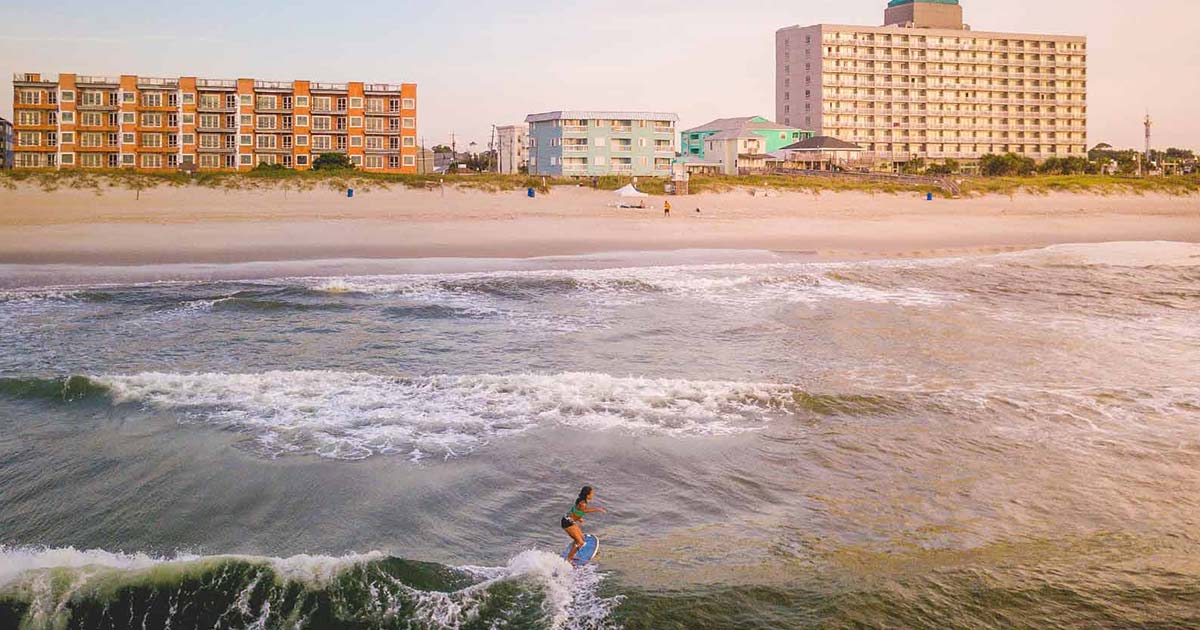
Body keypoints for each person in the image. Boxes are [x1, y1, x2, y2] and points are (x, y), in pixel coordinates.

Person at [561, 485, 605, 565]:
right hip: (567, 523)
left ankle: (571, 555)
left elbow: (575, 510)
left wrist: (578, 518)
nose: (592, 495)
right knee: (580, 542)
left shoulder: (580, 500)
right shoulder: (583, 503)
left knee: (581, 538)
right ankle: (568, 559)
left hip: (569, 520)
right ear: (587, 495)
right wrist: (598, 509)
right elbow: (585, 510)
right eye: (591, 494)